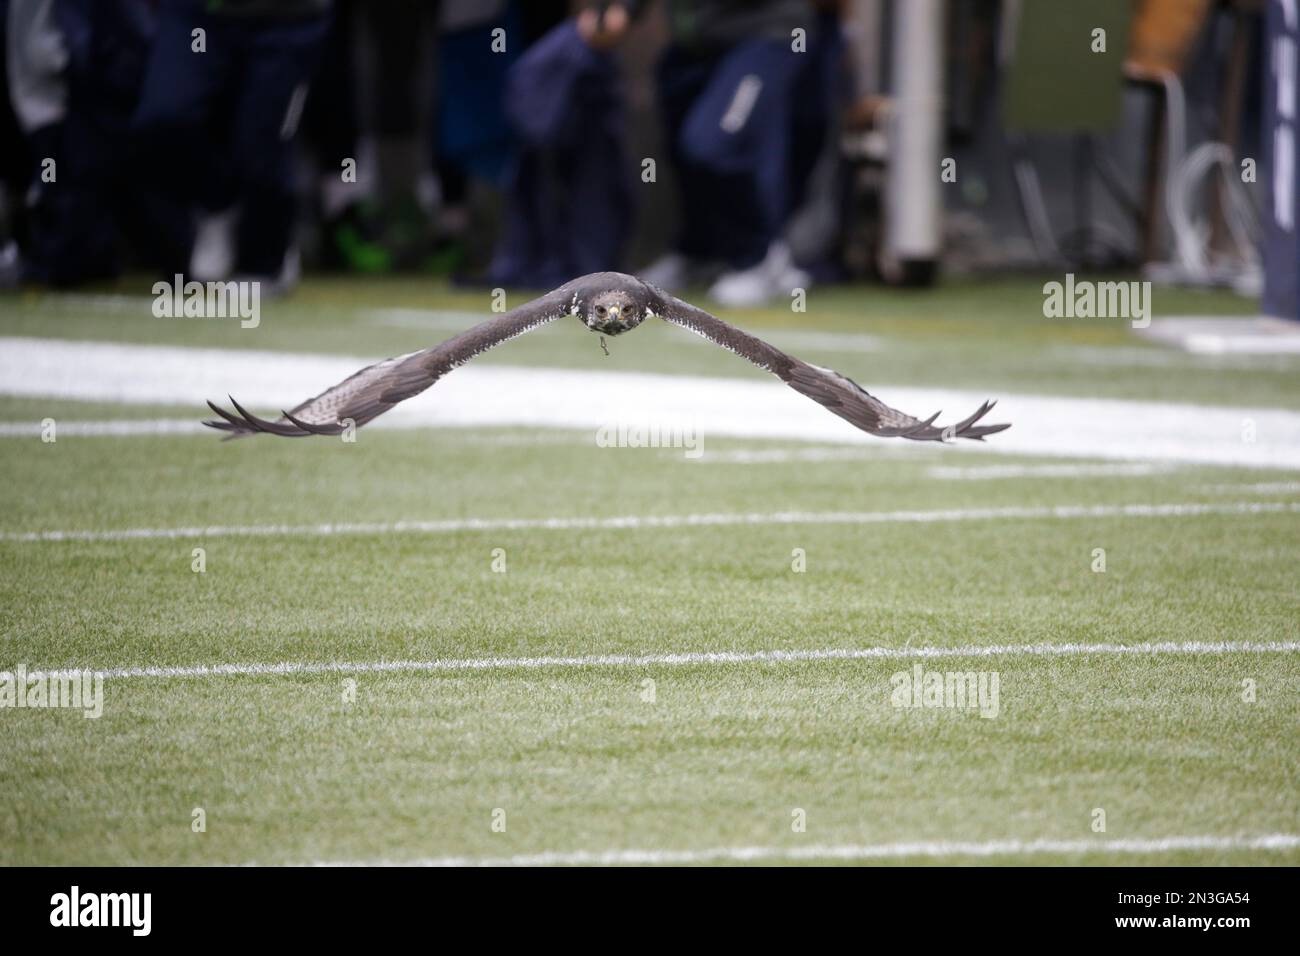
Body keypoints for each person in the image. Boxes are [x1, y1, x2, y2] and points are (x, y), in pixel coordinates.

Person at [132, 0, 331, 290]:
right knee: (163, 121)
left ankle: (265, 258)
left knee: (263, 149)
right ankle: (219, 203)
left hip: (290, 18)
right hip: (198, 15)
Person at [639, 0, 817, 306]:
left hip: (764, 34)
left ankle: (760, 258)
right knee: (680, 152)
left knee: (716, 145)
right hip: (693, 44)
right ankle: (700, 252)